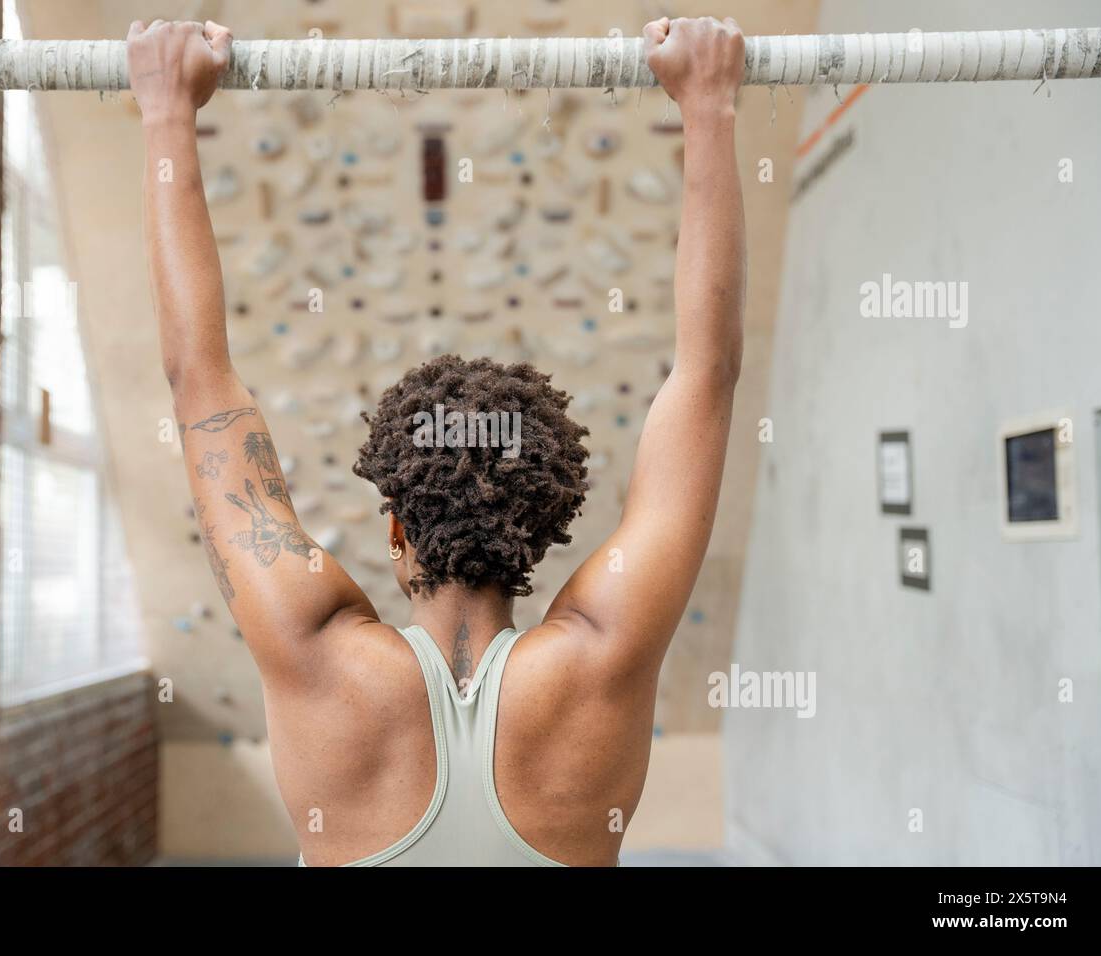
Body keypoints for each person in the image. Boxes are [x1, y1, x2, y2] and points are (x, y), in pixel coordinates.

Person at [127, 14, 746, 866]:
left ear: (395, 527)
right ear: (540, 525)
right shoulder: (602, 655)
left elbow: (198, 376)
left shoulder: (314, 651)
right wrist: (709, 106)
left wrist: (166, 111)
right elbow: (705, 375)